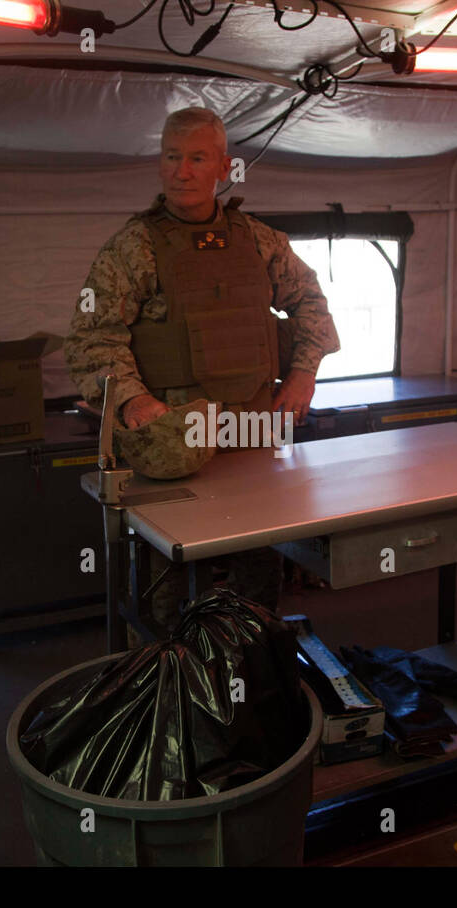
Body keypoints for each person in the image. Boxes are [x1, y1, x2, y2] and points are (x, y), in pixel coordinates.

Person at [65, 106, 340, 630]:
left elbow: (311, 302)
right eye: (173, 157)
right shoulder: (134, 247)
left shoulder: (259, 240)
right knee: (164, 577)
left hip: (250, 432)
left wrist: (304, 371)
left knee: (256, 565)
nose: (182, 171)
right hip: (171, 438)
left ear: (224, 168)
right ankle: (166, 683)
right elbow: (89, 337)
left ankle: (245, 670)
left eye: (197, 158)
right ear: (160, 163)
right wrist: (132, 399)